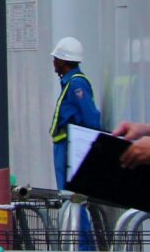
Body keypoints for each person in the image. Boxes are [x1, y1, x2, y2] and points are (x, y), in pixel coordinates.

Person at [49, 38, 103, 189]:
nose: (53, 62)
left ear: (62, 61)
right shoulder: (70, 82)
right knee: (65, 190)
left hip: (69, 146)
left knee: (69, 191)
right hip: (64, 144)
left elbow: (90, 115)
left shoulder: (76, 83)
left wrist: (95, 145)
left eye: (55, 59)